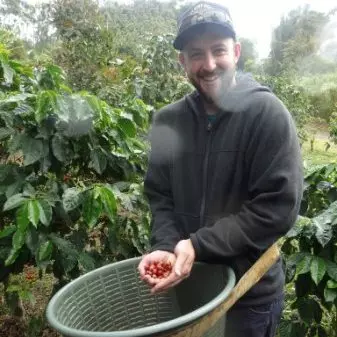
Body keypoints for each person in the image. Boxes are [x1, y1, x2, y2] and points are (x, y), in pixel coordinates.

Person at [138, 1, 303, 336]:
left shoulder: (266, 114)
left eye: (219, 50)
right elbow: (161, 196)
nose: (209, 64)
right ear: (182, 60)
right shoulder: (169, 121)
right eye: (196, 53)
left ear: (237, 51)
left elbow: (277, 208)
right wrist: (166, 246)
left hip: (248, 293)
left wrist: (199, 244)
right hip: (191, 286)